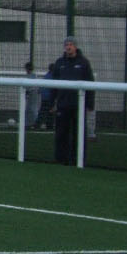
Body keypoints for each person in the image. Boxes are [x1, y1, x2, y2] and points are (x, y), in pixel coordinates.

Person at [46, 36, 95, 164]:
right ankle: (61, 159)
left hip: (79, 105)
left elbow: (90, 83)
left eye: (71, 45)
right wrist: (52, 103)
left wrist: (90, 103)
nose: (68, 47)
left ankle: (78, 159)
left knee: (79, 133)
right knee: (61, 133)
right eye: (66, 45)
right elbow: (54, 84)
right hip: (63, 104)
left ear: (75, 46)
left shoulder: (84, 63)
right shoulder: (59, 63)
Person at [23, 61, 42, 129]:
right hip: (30, 94)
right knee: (28, 109)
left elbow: (35, 86)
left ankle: (36, 123)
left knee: (33, 109)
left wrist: (28, 91)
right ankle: (28, 123)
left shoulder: (33, 75)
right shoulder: (29, 75)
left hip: (33, 94)